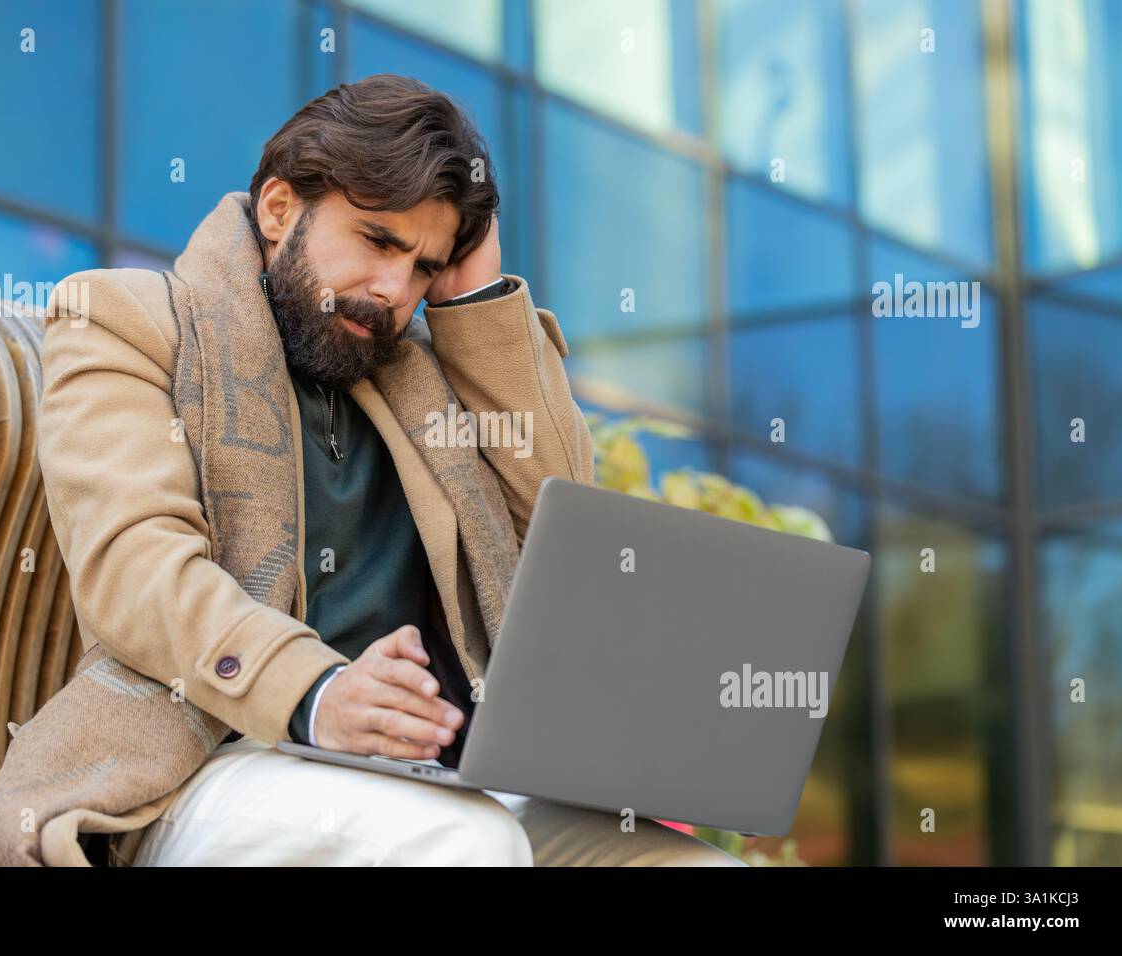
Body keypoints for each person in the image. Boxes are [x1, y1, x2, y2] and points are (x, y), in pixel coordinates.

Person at [37, 73, 743, 867]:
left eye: (423, 267)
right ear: (279, 210)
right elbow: (134, 567)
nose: (393, 294)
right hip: (210, 760)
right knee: (460, 841)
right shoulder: (123, 319)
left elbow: (559, 529)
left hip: (437, 770)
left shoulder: (413, 371)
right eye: (377, 242)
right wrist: (318, 693)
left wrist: (476, 303)